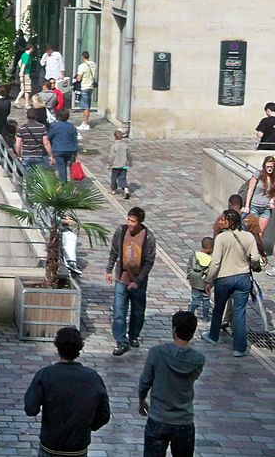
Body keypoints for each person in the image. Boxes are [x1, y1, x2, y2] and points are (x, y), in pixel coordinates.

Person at [23, 326, 110, 457]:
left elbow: (30, 408)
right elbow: (104, 415)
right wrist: (86, 427)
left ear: (58, 348)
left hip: (51, 445)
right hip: (78, 447)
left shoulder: (45, 375)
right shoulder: (93, 378)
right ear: (79, 349)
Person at [139, 311, 205, 457]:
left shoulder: (157, 353)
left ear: (174, 329)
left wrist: (141, 400)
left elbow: (145, 381)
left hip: (159, 417)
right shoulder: (198, 359)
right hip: (184, 420)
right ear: (192, 332)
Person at [201, 208, 262, 357]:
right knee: (240, 312)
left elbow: (215, 263)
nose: (221, 221)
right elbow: (255, 258)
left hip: (224, 278)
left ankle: (213, 336)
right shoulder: (248, 237)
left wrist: (209, 280)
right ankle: (239, 348)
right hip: (243, 278)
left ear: (230, 221)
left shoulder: (221, 238)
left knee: (219, 308)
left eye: (223, 219)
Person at [107, 206, 157, 356]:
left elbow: (149, 261)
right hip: (122, 278)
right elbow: (114, 250)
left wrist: (138, 281)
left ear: (140, 222)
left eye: (133, 221)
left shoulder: (148, 237)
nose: (129, 223)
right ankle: (121, 341)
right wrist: (109, 269)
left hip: (138, 281)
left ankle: (134, 335)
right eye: (128, 219)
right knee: (119, 311)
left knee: (137, 311)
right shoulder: (121, 231)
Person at [242, 152, 275, 243]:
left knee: (260, 232)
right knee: (252, 231)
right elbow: (250, 189)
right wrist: (247, 205)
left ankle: (257, 251)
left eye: (271, 167)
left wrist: (272, 201)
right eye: (267, 167)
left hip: (266, 208)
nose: (269, 169)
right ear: (264, 166)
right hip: (254, 206)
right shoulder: (258, 175)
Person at [16, 107, 55, 176]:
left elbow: (17, 145)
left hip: (26, 155)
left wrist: (18, 155)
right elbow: (46, 143)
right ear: (36, 116)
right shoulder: (42, 127)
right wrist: (51, 155)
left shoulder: (22, 128)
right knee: (40, 176)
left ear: (27, 116)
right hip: (38, 155)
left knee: (28, 176)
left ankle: (27, 186)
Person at [186, 237, 213, 322]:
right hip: (205, 283)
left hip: (194, 281)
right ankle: (205, 318)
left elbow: (189, 267)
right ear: (209, 247)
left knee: (195, 299)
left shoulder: (194, 255)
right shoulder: (210, 259)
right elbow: (211, 271)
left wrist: (189, 275)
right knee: (206, 300)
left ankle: (190, 315)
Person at [48, 109, 79, 183]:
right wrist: (76, 151)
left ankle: (63, 183)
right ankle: (72, 180)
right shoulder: (71, 126)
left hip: (58, 149)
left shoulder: (54, 126)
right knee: (69, 165)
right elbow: (75, 139)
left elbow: (49, 137)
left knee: (61, 167)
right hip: (70, 149)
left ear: (57, 116)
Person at [74, 51, 96, 131]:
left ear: (82, 57)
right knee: (88, 105)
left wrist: (76, 78)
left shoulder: (82, 66)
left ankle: (85, 124)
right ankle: (85, 122)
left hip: (84, 86)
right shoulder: (93, 64)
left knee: (85, 106)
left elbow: (79, 78)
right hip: (91, 86)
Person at [109, 128, 130, 198]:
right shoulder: (125, 145)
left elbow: (112, 157)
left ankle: (113, 190)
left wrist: (109, 164)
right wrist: (130, 162)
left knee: (114, 178)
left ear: (114, 137)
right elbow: (129, 155)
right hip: (124, 165)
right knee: (123, 177)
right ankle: (126, 190)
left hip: (116, 166)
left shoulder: (114, 146)